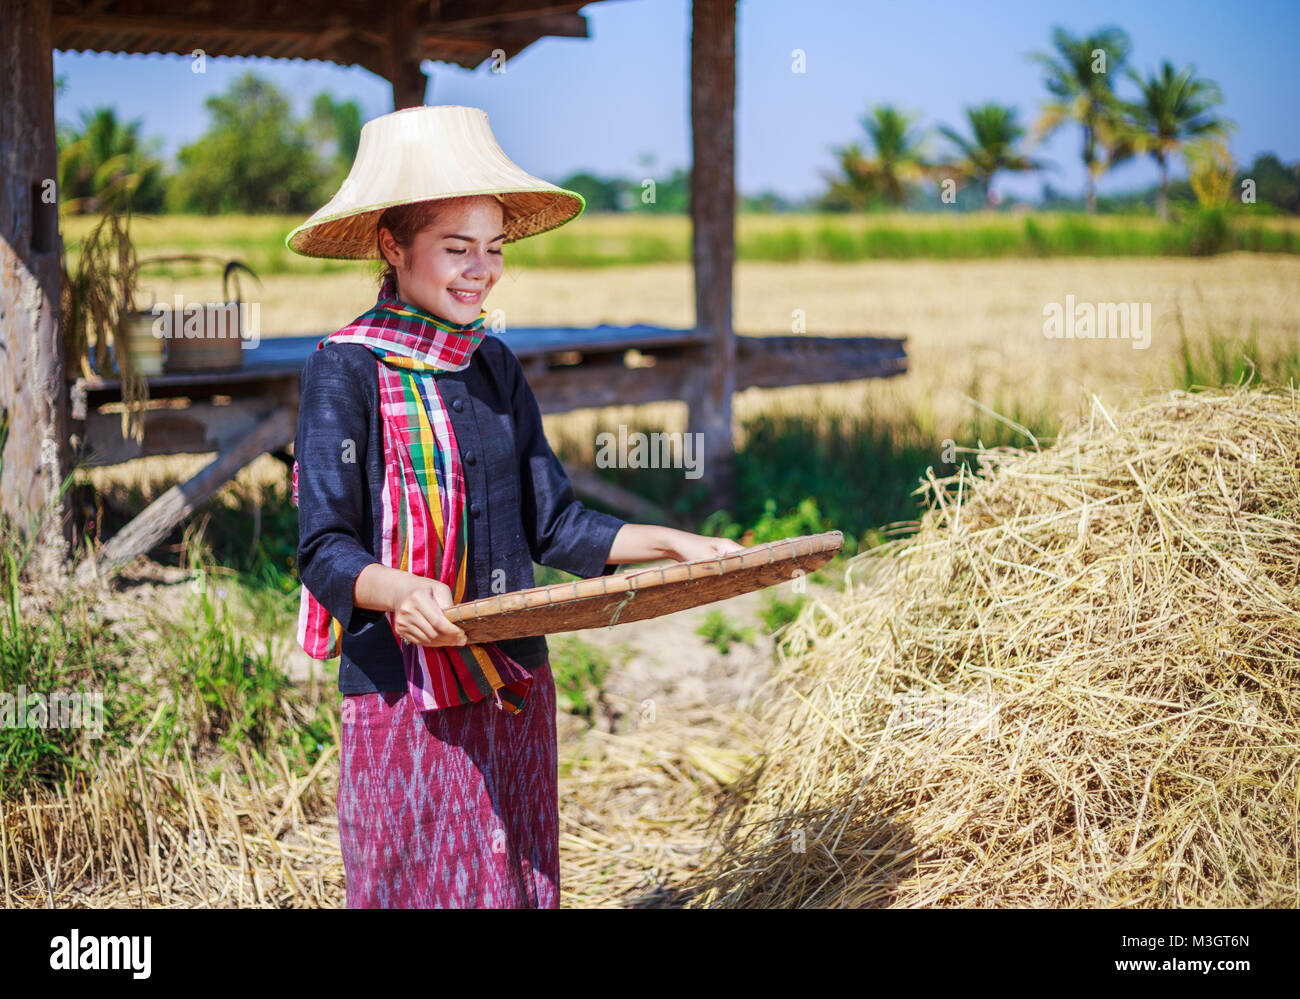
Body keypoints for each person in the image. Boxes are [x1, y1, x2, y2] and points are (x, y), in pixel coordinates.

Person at [285, 105, 742, 908]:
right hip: (405, 692)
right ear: (393, 247)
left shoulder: (492, 363)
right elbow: (325, 546)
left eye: (493, 250)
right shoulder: (345, 371)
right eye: (456, 248)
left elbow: (554, 524)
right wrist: (396, 591)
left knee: (516, 885)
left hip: (512, 679)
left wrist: (673, 545)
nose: (481, 271)